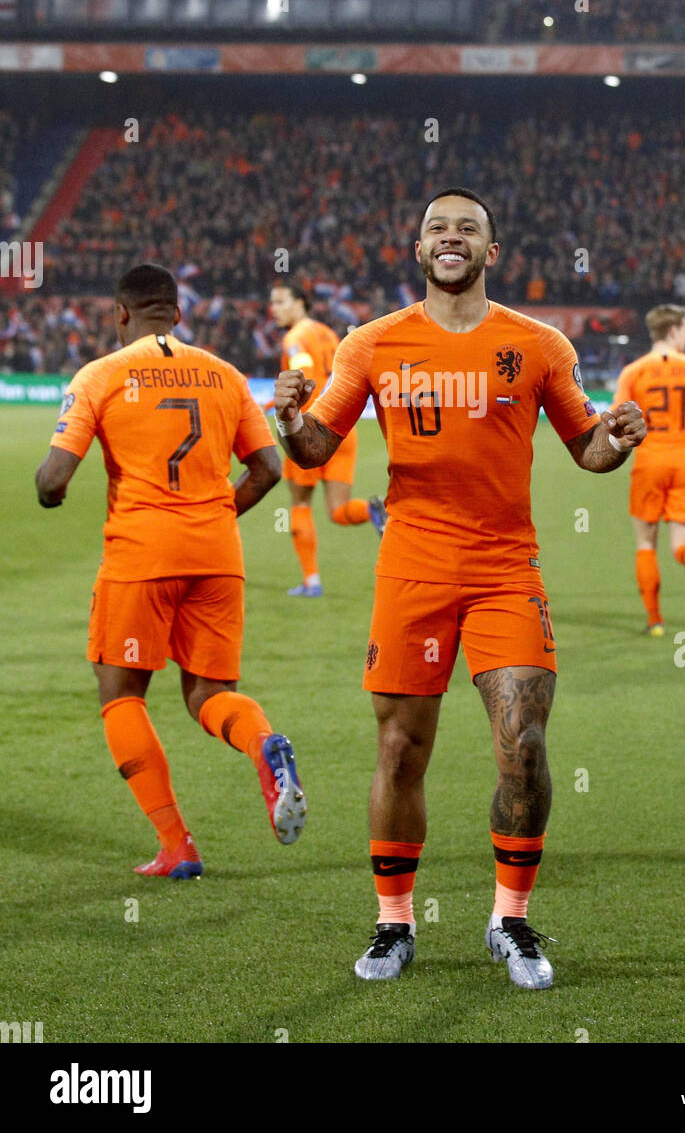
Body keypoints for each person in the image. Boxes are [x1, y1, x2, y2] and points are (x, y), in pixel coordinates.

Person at [273, 188, 646, 988]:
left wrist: (616, 441)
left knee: (527, 747)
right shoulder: (371, 343)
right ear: (418, 250)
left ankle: (509, 920)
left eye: (467, 228)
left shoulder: (539, 343)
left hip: (507, 568)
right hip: (411, 565)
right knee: (401, 748)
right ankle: (394, 925)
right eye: (437, 229)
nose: (451, 238)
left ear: (492, 250)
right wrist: (288, 421)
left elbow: (587, 447)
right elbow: (313, 448)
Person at [35, 264, 306, 878]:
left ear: (120, 314)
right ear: (178, 315)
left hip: (141, 554)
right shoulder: (225, 374)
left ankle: (177, 846)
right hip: (216, 555)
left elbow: (54, 480)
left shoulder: (100, 375)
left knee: (122, 696)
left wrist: (47, 496)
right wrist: (213, 513)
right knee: (211, 694)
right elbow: (268, 466)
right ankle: (264, 744)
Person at [268, 280, 385, 598]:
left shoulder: (295, 337)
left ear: (299, 303)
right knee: (339, 510)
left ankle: (311, 582)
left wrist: (293, 416)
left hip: (310, 427)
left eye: (279, 302)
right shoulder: (328, 334)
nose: (273, 309)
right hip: (342, 429)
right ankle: (377, 510)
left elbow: (303, 374)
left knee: (300, 504)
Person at [612, 305, 685, 634]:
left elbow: (617, 420)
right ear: (673, 331)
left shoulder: (634, 371)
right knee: (680, 543)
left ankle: (655, 620)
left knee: (646, 543)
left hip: (650, 462)